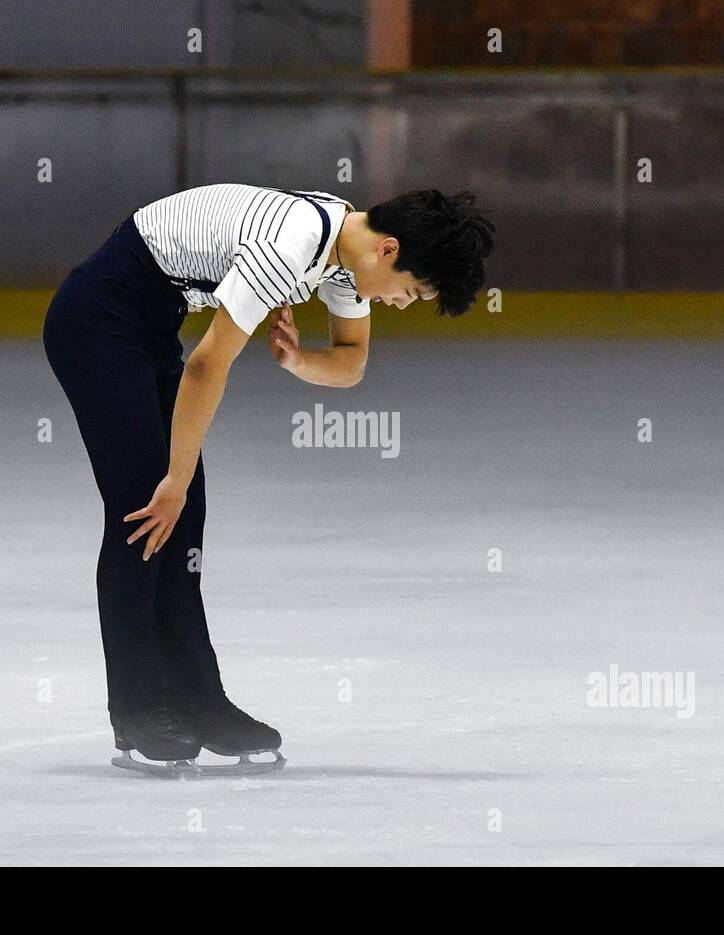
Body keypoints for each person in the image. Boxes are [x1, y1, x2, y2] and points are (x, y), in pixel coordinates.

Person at [42, 183, 494, 775]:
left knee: (183, 521)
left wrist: (297, 359)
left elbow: (351, 361)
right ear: (388, 250)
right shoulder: (296, 238)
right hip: (96, 321)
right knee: (145, 512)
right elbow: (207, 363)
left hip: (147, 330)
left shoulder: (341, 254)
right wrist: (176, 476)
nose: (402, 305)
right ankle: (138, 710)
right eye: (410, 291)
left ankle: (200, 700)